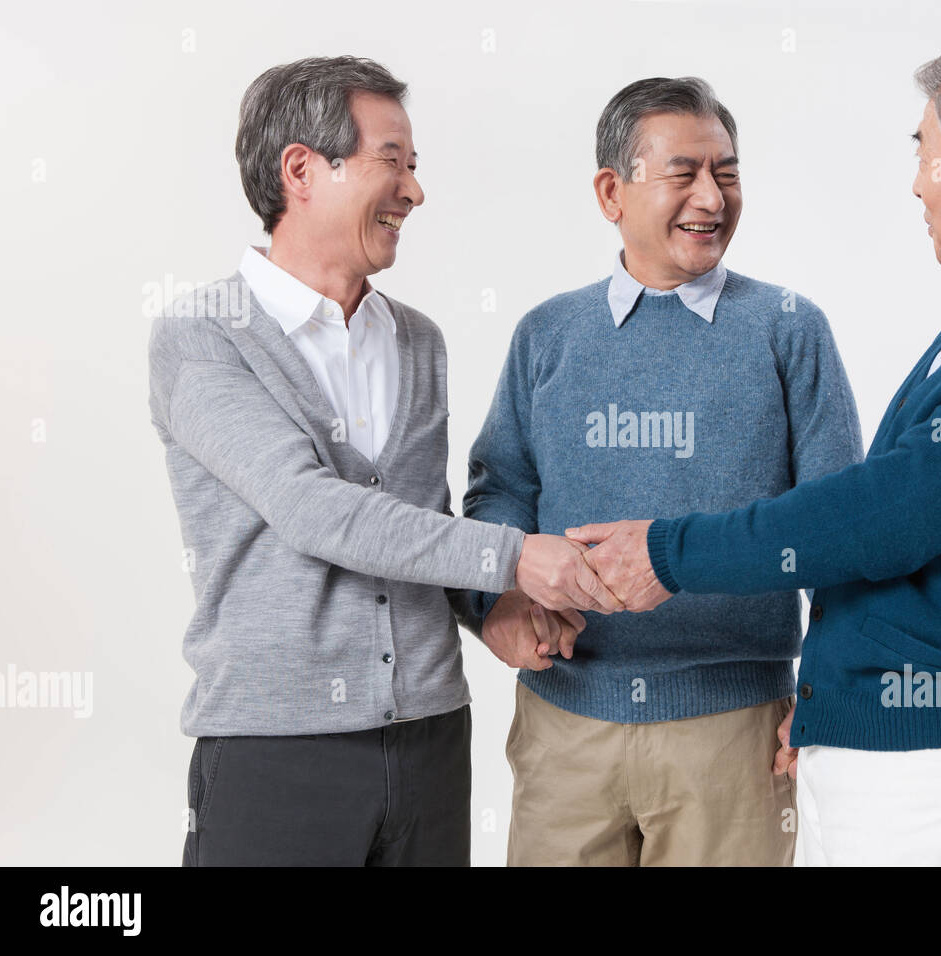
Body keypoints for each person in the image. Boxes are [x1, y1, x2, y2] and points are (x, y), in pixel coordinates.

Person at [568, 31, 941, 867]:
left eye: (927, 155)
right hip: (899, 763)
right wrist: (824, 700)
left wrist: (668, 551)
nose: (916, 184)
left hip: (936, 771)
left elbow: (886, 515)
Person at [148, 55, 618, 866]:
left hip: (430, 744)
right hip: (277, 750)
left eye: (415, 166)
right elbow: (312, 508)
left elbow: (418, 525)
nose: (414, 190)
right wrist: (519, 558)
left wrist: (489, 609)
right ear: (302, 169)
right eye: (391, 161)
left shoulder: (418, 340)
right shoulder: (203, 335)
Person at [463, 76, 863, 866]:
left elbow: (839, 528)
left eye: (729, 172)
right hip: (563, 726)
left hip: (734, 734)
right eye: (684, 173)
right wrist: (494, 603)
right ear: (612, 191)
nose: (712, 199)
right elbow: (499, 488)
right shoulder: (547, 334)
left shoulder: (789, 331)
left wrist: (829, 687)